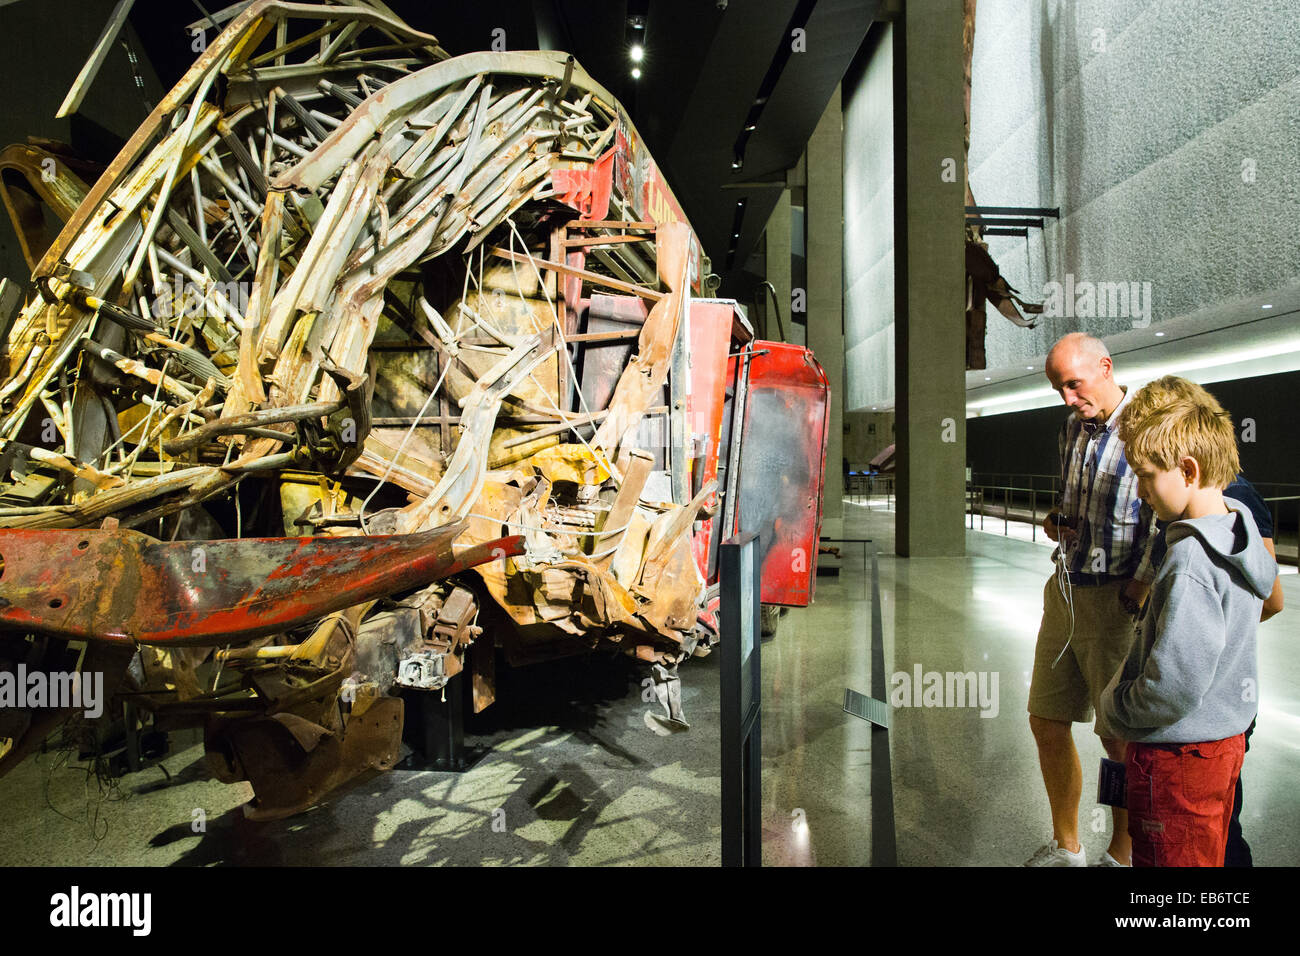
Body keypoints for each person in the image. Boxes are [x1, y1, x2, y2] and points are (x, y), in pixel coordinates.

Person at [1099, 394, 1276, 866]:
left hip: (1176, 757)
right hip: (1221, 745)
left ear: (1189, 470)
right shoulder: (1237, 536)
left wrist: (1115, 704)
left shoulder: (1190, 559)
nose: (1139, 490)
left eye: (1146, 475)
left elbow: (1172, 687)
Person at [1023, 333, 1153, 867]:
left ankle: (1120, 855)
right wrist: (1057, 521)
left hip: (1116, 603)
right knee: (1046, 717)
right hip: (1067, 591)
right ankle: (1067, 847)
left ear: (1105, 366)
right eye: (1059, 389)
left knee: (1118, 738)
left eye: (1074, 384)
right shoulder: (1072, 429)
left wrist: (1141, 584)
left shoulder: (1148, 429)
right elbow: (1069, 501)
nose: (1068, 398)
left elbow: (1166, 520)